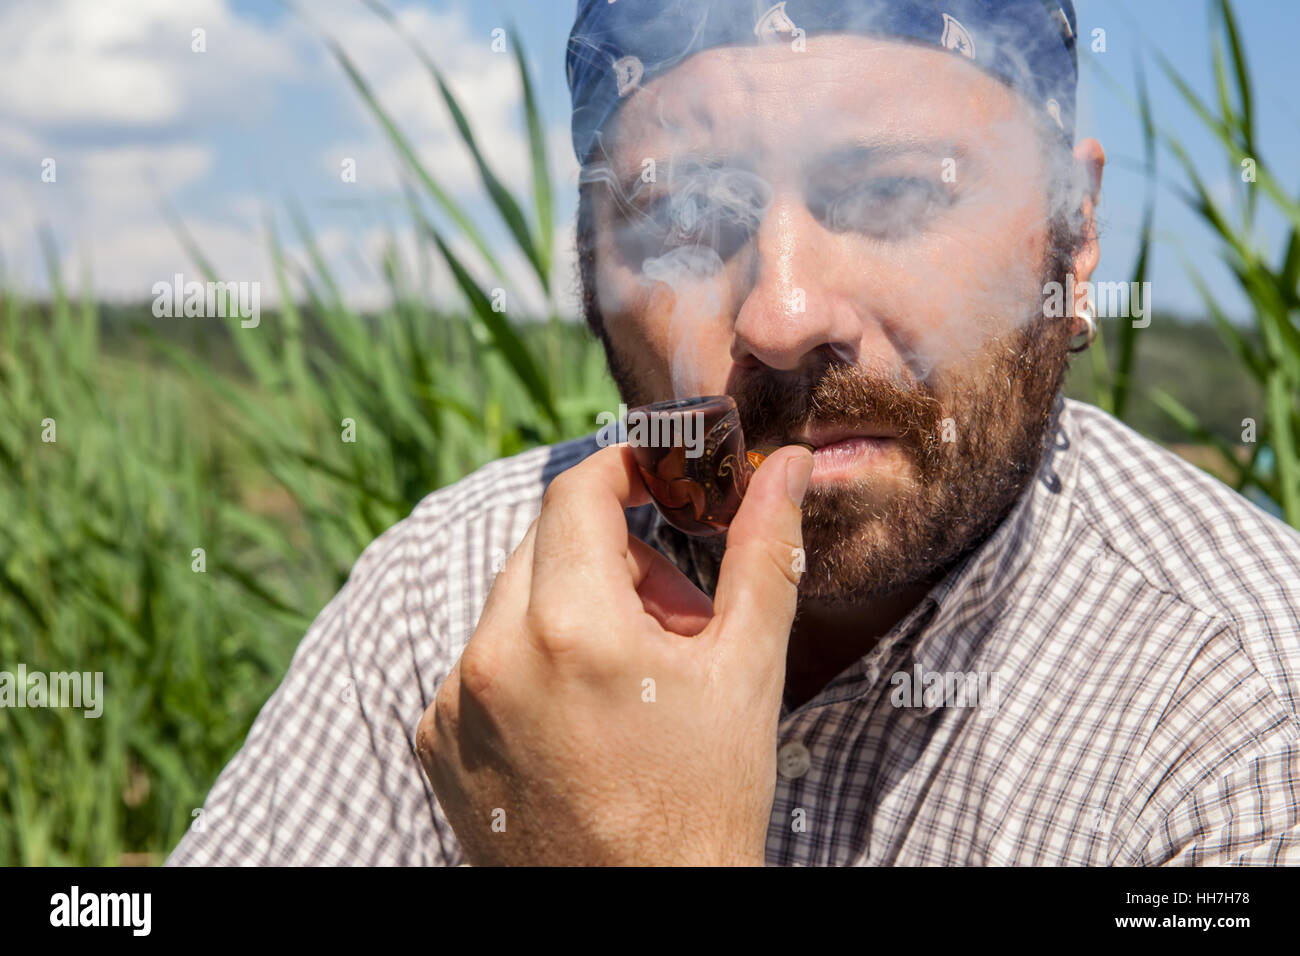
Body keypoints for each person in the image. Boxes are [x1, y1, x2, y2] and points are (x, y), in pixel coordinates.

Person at [168, 0, 1300, 866]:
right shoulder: (449, 596)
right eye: (685, 214)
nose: (782, 313)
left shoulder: (1240, 706)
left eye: (896, 195)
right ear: (586, 258)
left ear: (1076, 236)